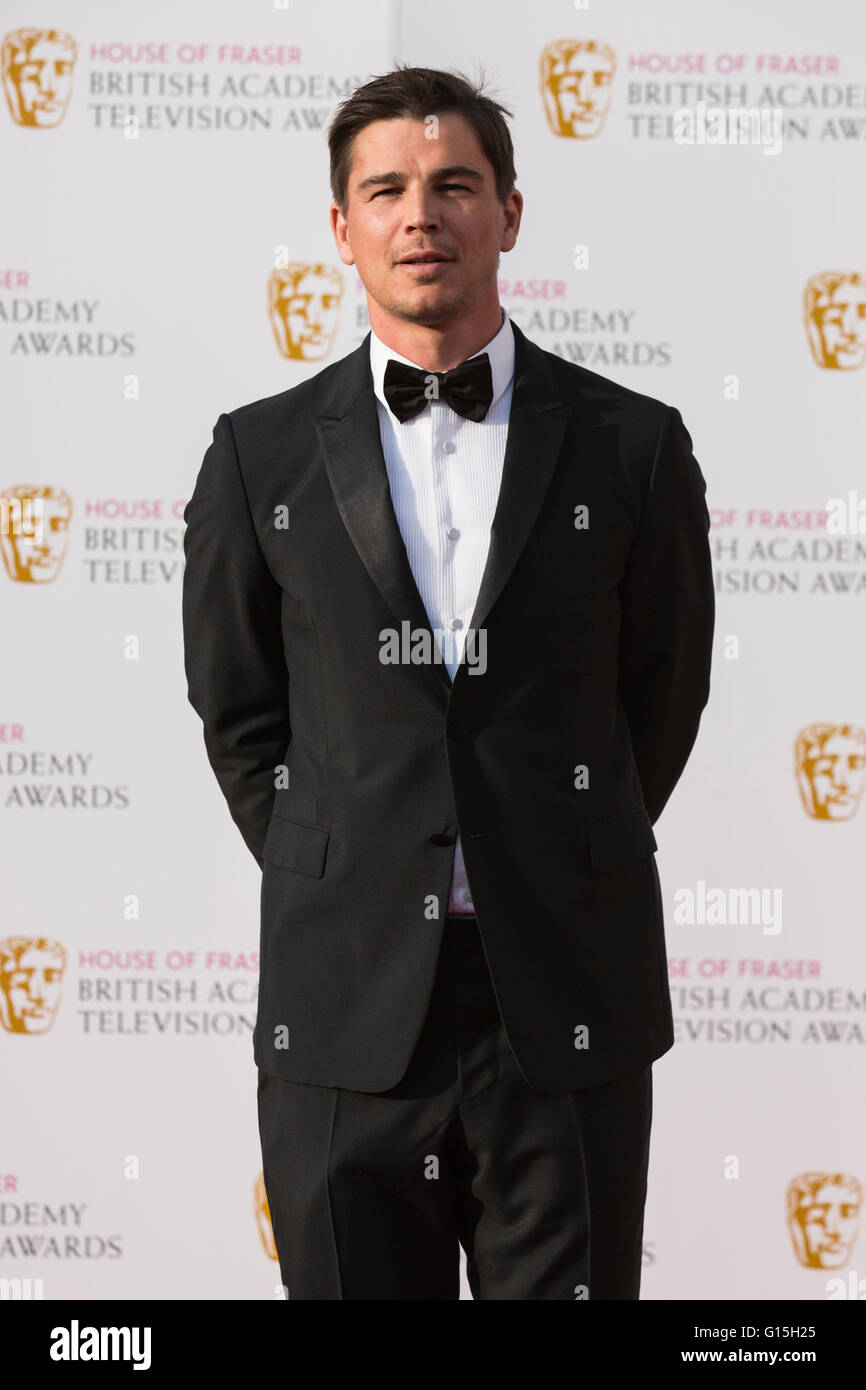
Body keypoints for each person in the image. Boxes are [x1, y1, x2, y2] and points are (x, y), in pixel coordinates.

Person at [181, 64, 715, 1300]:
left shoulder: (631, 445)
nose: (420, 214)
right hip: (345, 1002)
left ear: (510, 214)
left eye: (453, 184)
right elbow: (240, 711)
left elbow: (663, 696)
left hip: (563, 993)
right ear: (342, 229)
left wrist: (561, 842)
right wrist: (356, 856)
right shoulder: (255, 451)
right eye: (386, 190)